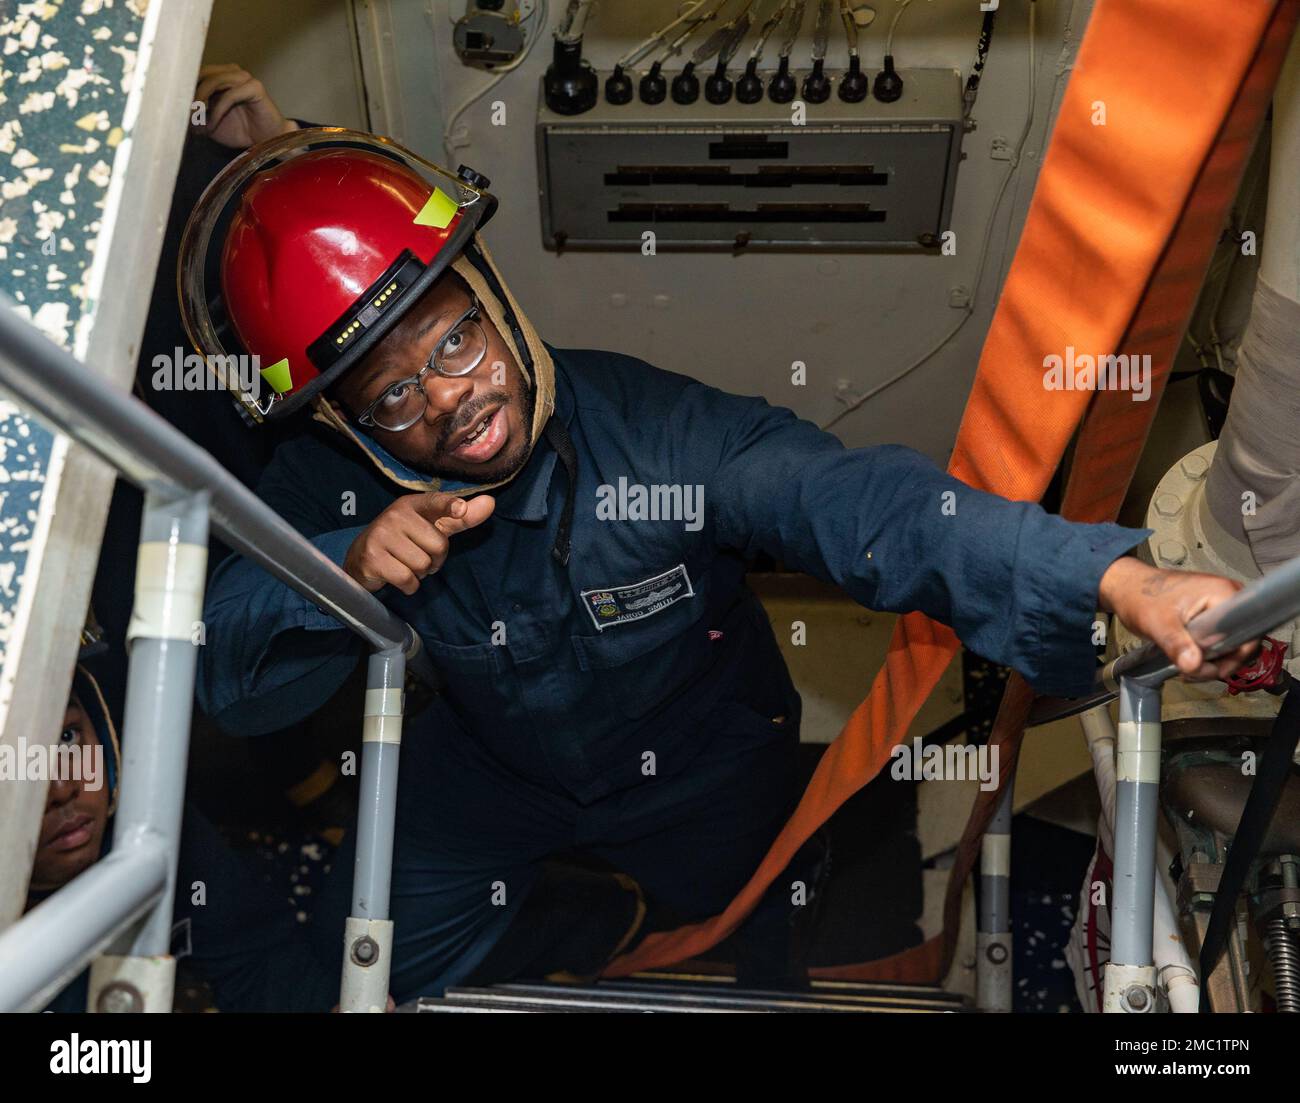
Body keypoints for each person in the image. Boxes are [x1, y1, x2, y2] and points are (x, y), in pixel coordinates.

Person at [188, 125, 1258, 1003]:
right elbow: (223, 660)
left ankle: (731, 936)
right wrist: (345, 563)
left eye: (454, 339)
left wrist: (1116, 580)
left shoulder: (661, 437)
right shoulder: (330, 485)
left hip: (699, 765)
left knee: (760, 931)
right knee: (354, 961)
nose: (447, 399)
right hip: (490, 770)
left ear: (493, 293)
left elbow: (859, 503)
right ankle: (587, 916)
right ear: (342, 421)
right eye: (389, 395)